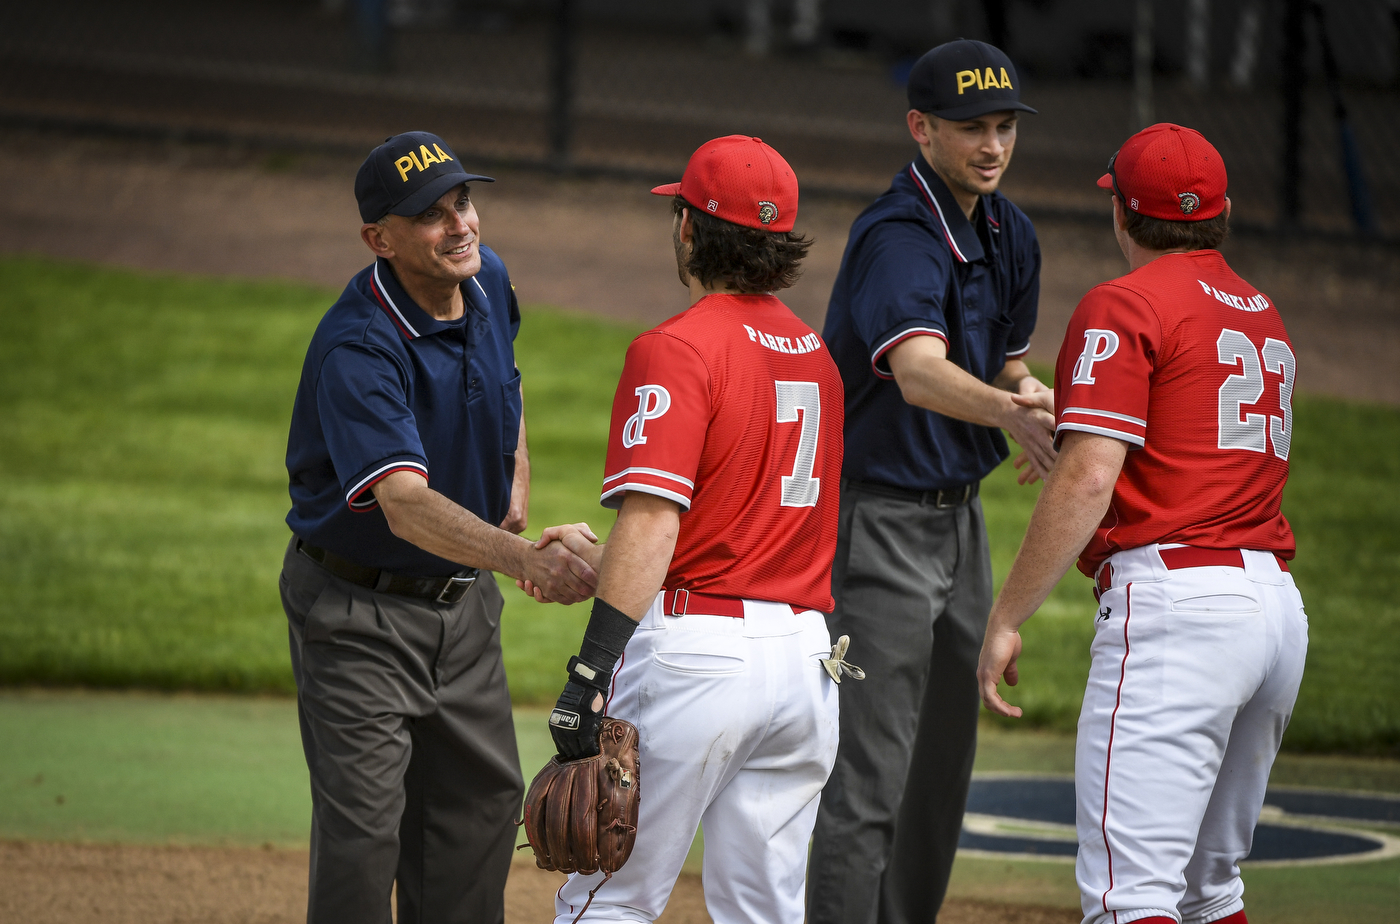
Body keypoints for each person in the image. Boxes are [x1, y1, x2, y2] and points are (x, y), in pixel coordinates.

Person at [977, 123, 1307, 924]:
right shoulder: (1261, 312)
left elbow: (1092, 476)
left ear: (1121, 215)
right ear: (1221, 216)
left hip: (1179, 616)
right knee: (1211, 889)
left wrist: (1007, 615)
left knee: (1132, 896)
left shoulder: (1123, 303)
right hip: (1274, 618)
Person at [279, 130, 598, 924]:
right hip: (357, 618)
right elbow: (404, 502)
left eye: (463, 200)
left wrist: (514, 482)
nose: (460, 224)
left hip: (462, 608)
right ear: (378, 239)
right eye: (430, 214)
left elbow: (508, 380)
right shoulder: (360, 345)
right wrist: (521, 556)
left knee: (480, 815)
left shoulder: (487, 280)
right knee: (364, 837)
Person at [529, 135, 849, 924]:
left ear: (687, 229)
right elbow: (743, 523)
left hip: (698, 662)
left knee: (608, 899)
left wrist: (589, 672)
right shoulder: (817, 357)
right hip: (808, 666)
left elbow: (653, 518)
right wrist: (611, 559)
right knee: (765, 910)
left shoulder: (674, 349)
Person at [807, 39, 1055, 924]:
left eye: (1002, 128)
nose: (992, 146)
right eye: (969, 129)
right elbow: (916, 369)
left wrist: (1035, 398)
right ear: (921, 129)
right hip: (877, 524)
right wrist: (1007, 411)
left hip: (961, 528)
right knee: (868, 772)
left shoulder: (1009, 231)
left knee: (940, 771)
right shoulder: (898, 236)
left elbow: (1011, 366)